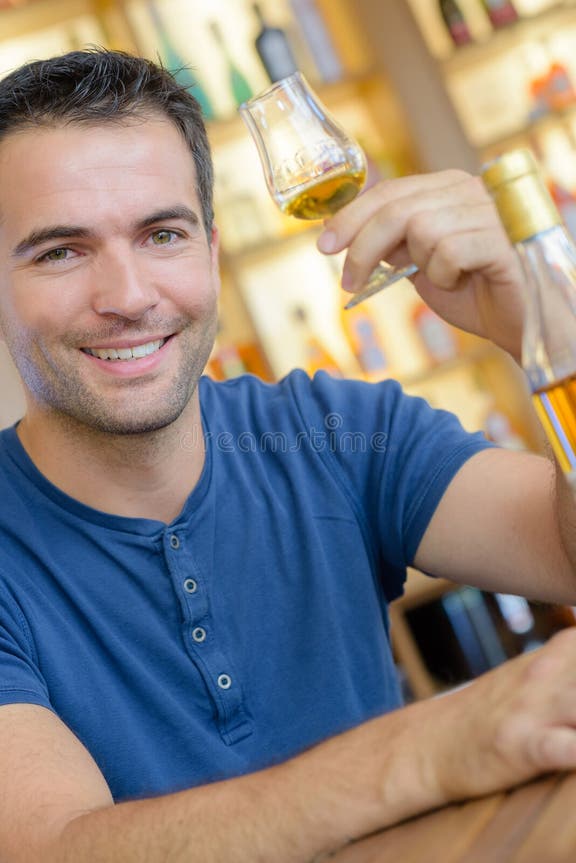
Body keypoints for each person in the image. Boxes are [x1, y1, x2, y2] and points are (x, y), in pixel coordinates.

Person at [0, 47, 574, 863]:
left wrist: (545, 326)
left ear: (211, 251)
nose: (127, 296)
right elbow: (53, 848)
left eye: (162, 233)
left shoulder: (331, 429)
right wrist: (435, 746)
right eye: (60, 250)